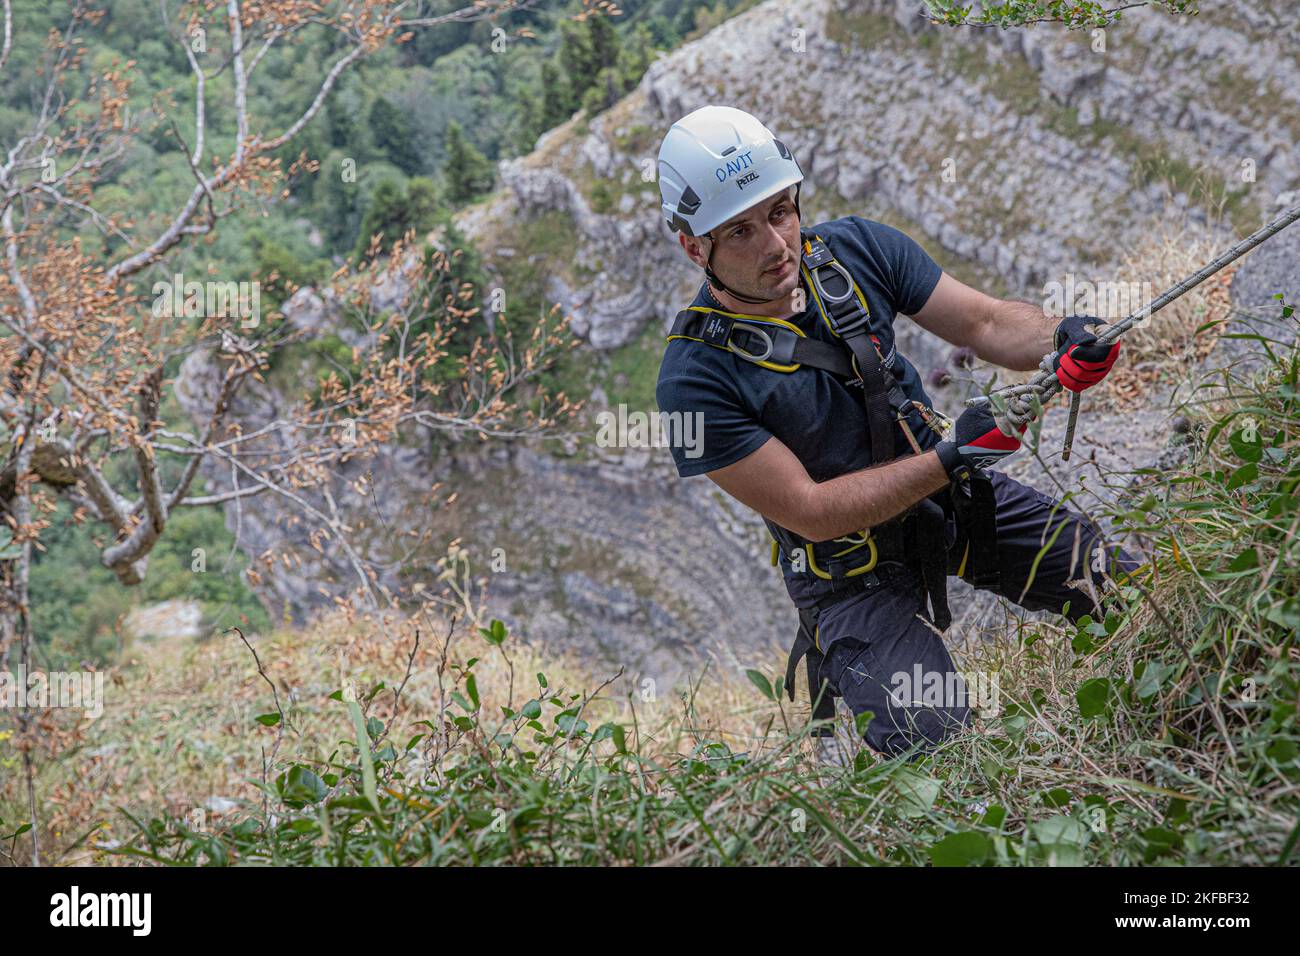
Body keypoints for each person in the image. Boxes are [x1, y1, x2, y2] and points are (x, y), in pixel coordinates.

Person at [654, 105, 1137, 758]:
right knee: (937, 747)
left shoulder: (855, 251)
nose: (775, 245)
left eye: (780, 211)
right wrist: (952, 455)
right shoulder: (692, 381)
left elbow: (987, 324)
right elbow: (812, 512)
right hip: (850, 572)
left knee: (1124, 591)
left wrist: (1060, 336)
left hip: (947, 505)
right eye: (739, 231)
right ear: (693, 248)